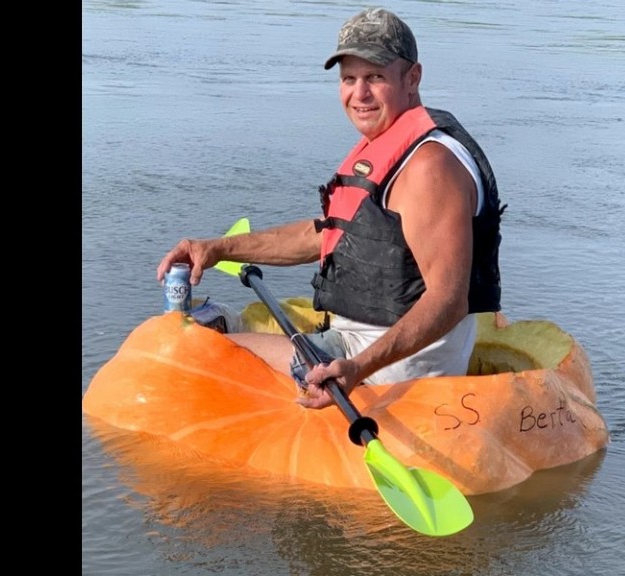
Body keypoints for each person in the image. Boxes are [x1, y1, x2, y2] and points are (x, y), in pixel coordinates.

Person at [156, 7, 507, 410]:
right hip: (359, 346)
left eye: (375, 77)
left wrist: (358, 367)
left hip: (390, 371)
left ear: (412, 77)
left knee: (190, 347)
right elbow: (331, 233)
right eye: (348, 79)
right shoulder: (392, 140)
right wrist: (218, 249)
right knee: (213, 321)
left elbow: (449, 301)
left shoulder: (429, 167)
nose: (359, 94)